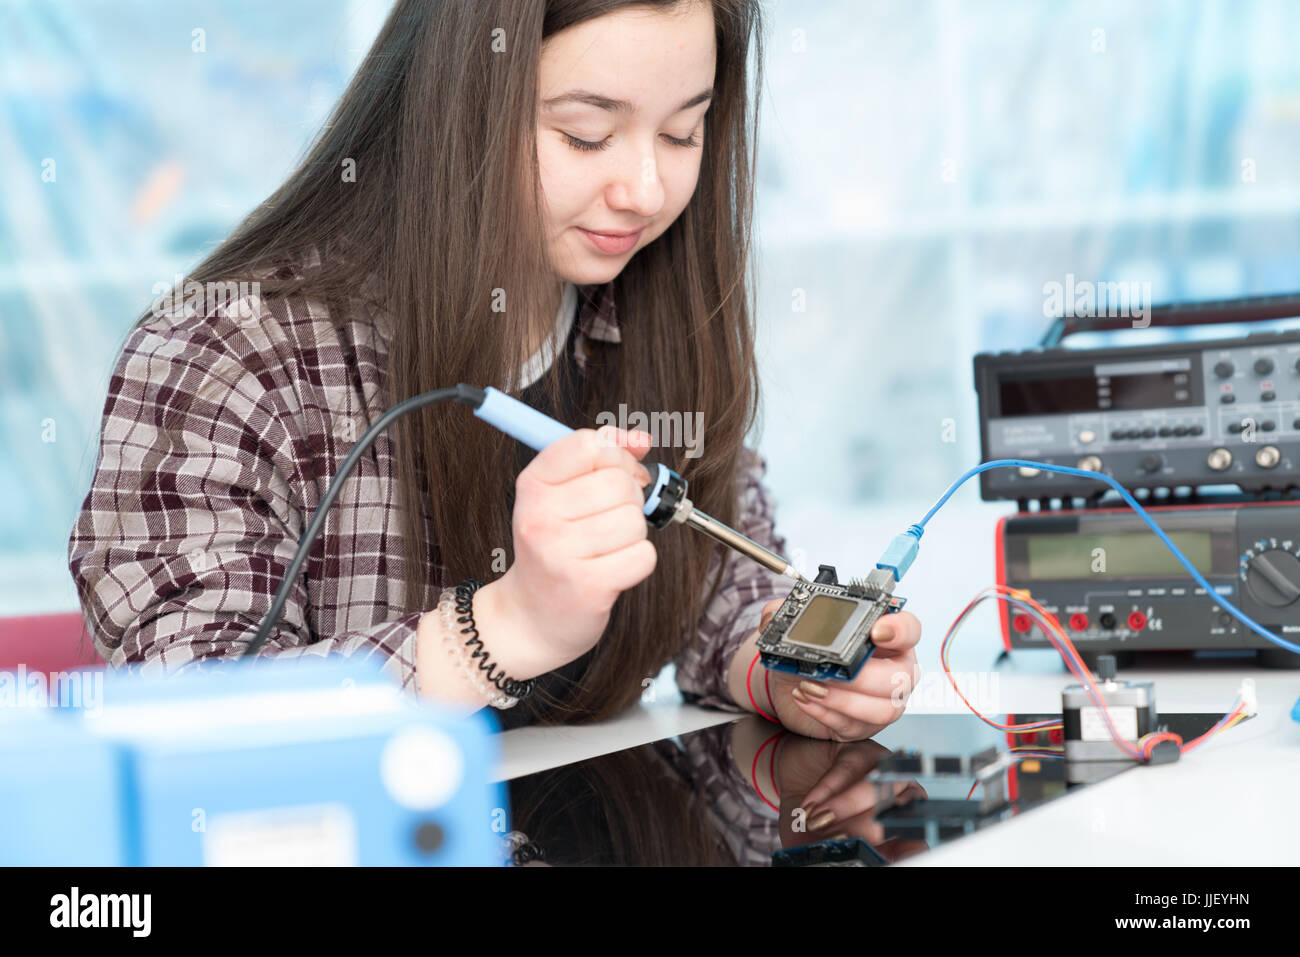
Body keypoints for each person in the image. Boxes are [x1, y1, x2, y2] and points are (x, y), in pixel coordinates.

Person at [67, 0, 921, 737]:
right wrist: (506, 626)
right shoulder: (224, 353)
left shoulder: (636, 302)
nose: (648, 189)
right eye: (586, 134)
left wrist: (783, 670)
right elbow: (188, 717)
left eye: (682, 130)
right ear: (456, 106)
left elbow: (713, 581)